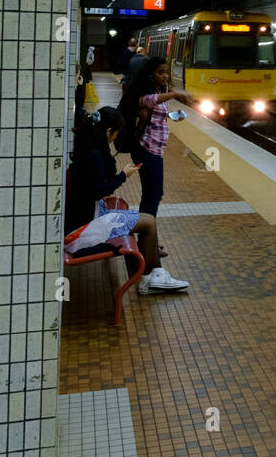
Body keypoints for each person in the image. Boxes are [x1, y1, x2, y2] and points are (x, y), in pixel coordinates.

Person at [66, 106, 188, 295]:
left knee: (147, 219)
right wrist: (124, 175)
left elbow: (99, 181)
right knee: (149, 222)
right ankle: (149, 279)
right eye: (116, 134)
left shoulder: (88, 146)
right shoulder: (93, 155)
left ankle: (155, 274)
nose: (116, 138)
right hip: (81, 229)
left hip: (86, 216)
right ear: (108, 131)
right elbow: (99, 190)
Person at [127, 57, 195, 218]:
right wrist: (176, 92)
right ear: (150, 75)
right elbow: (150, 101)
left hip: (155, 150)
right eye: (160, 72)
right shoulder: (144, 93)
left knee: (154, 193)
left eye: (166, 72)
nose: (165, 76)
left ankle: (148, 233)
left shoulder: (158, 91)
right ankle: (147, 235)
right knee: (153, 193)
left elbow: (158, 112)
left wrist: (173, 115)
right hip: (146, 149)